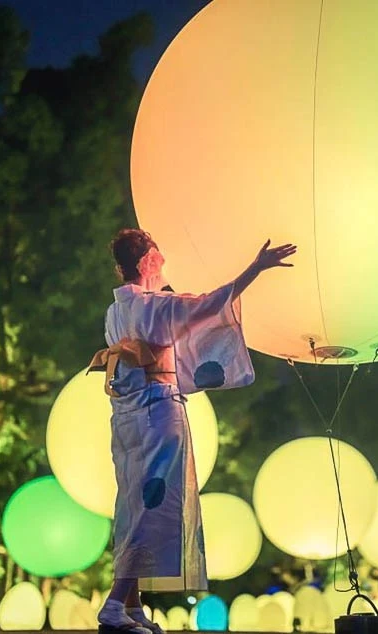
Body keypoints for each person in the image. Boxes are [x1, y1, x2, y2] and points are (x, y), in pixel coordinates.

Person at [92, 228, 296, 634]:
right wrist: (256, 267)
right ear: (147, 262)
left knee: (133, 504)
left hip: (127, 416)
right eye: (158, 259)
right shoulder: (155, 306)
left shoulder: (115, 312)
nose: (163, 266)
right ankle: (115, 603)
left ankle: (131, 607)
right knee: (152, 504)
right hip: (157, 410)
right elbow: (210, 305)